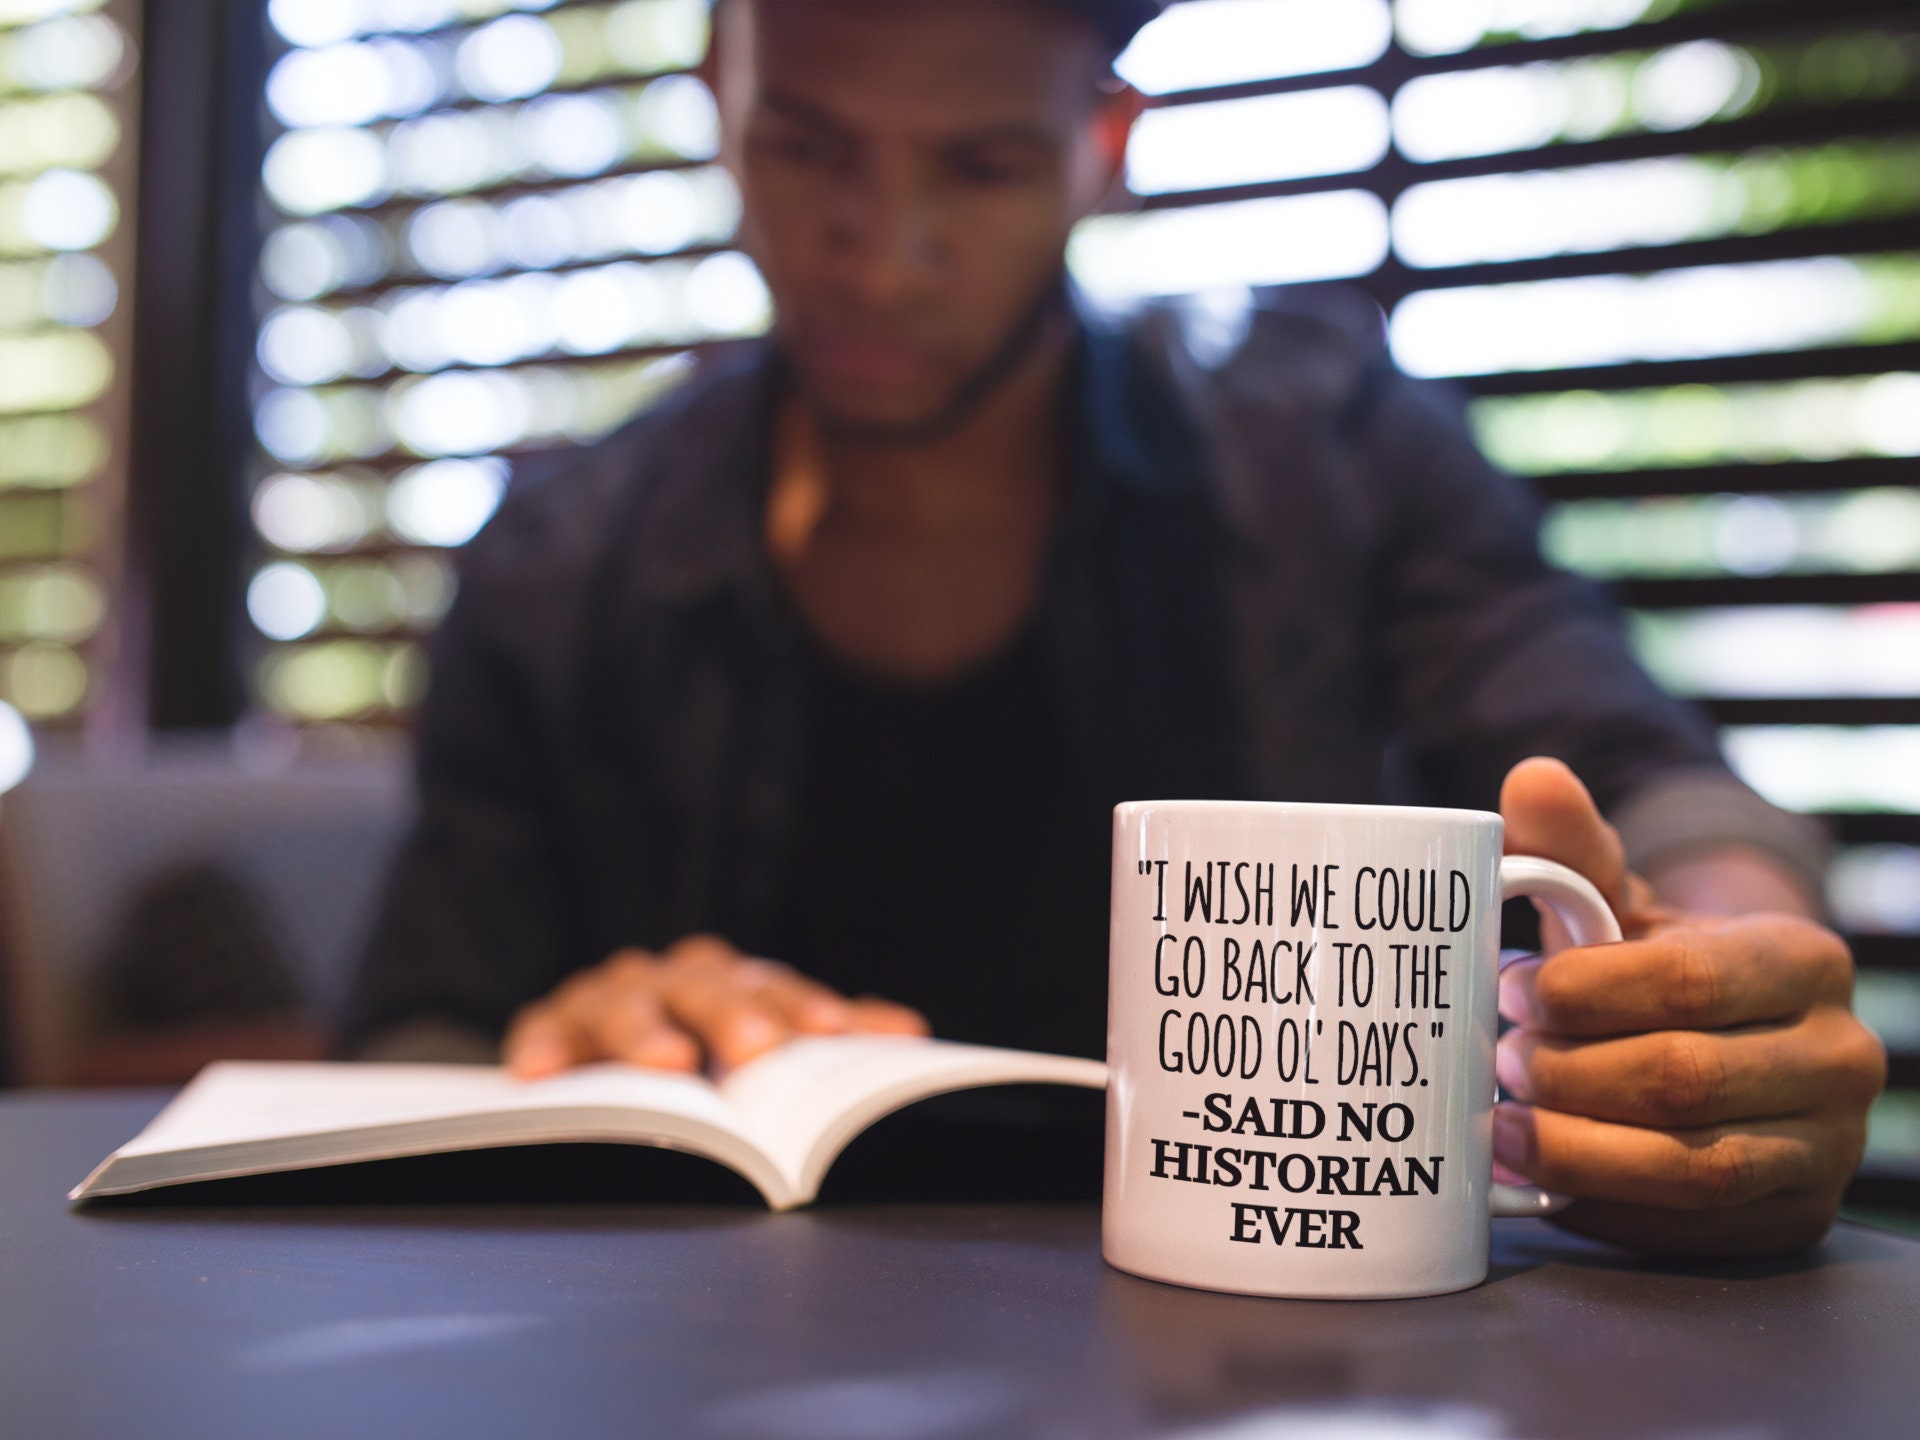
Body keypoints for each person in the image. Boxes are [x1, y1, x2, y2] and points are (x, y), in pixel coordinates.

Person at [343, 0, 1885, 1256]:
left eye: (982, 167)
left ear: (1104, 149)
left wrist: (1713, 981)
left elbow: (1646, 781)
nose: (882, 253)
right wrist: (553, 1061)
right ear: (718, 97)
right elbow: (415, 1026)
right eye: (807, 148)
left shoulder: (1329, 453)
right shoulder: (560, 562)